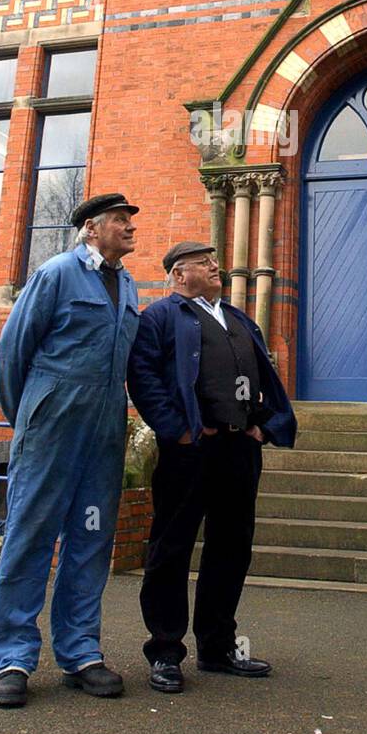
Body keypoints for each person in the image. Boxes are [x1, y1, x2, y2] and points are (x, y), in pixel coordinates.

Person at [0, 193, 140, 707]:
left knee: (91, 540)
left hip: (104, 430)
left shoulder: (130, 285)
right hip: (53, 422)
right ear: (92, 228)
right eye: (121, 220)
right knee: (30, 535)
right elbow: (13, 350)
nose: (130, 228)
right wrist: (31, 415)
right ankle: (11, 657)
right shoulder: (56, 272)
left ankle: (80, 653)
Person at [127, 241, 297, 694]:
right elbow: (142, 376)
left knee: (231, 547)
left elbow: (263, 375)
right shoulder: (160, 317)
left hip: (240, 449)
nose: (215, 267)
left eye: (214, 261)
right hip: (190, 451)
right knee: (172, 547)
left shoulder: (239, 318)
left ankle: (218, 647)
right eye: (204, 263)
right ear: (179, 275)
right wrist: (177, 430)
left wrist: (264, 426)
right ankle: (165, 651)